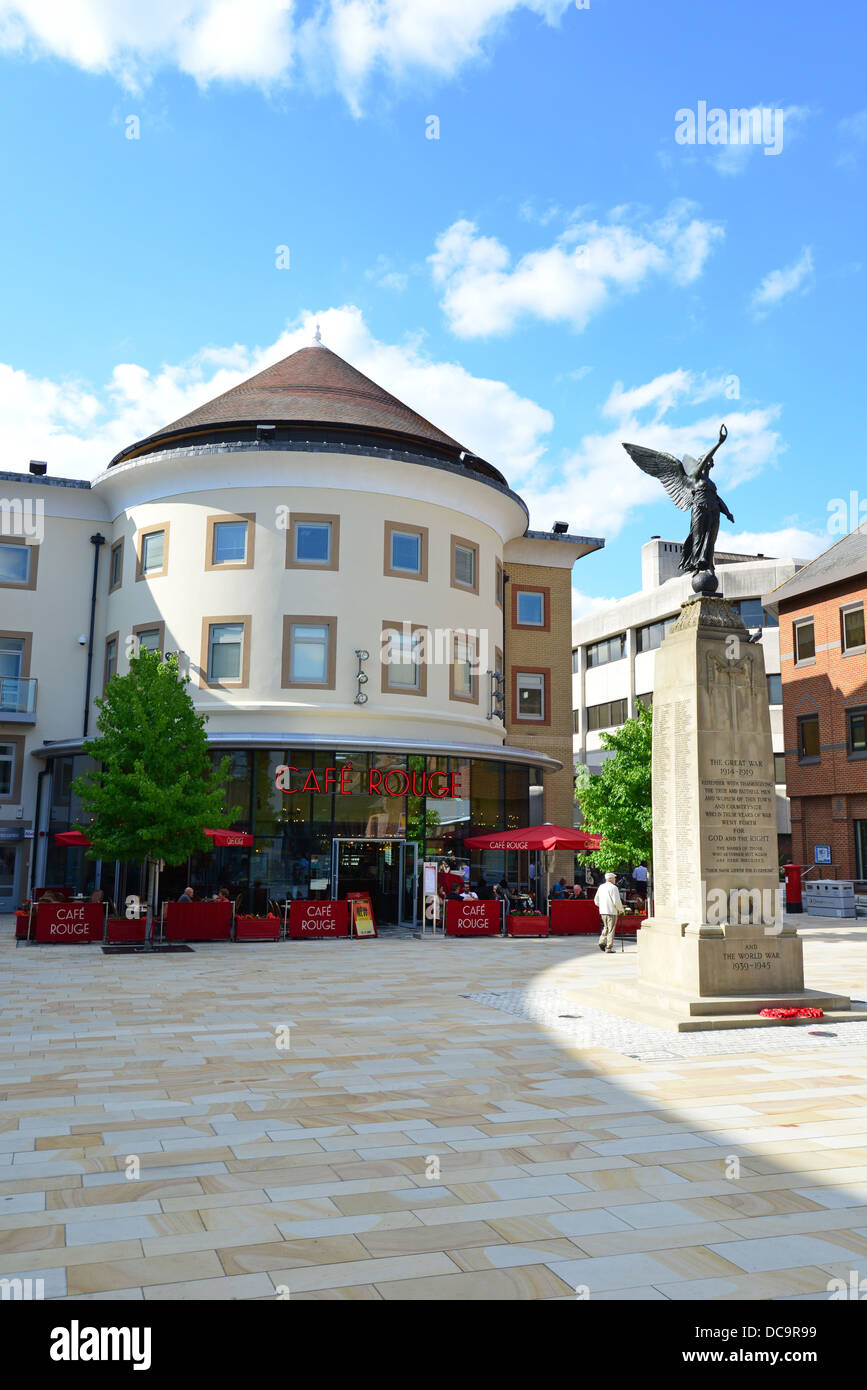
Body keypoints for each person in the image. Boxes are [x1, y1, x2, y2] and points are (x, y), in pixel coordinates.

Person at [594, 872, 625, 953]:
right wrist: (621, 910)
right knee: (611, 929)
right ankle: (609, 947)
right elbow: (616, 901)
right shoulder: (614, 888)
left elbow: (596, 900)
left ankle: (602, 941)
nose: (615, 880)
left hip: (603, 911)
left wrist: (601, 906)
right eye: (614, 878)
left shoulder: (601, 887)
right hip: (611, 911)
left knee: (605, 927)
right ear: (610, 879)